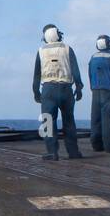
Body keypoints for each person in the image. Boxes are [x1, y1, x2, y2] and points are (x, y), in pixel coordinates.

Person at [33, 24, 84, 160]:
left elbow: (37, 75)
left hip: (48, 90)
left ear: (45, 37)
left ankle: (52, 152)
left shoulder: (41, 51)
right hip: (66, 89)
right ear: (59, 35)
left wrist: (36, 92)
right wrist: (79, 88)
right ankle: (73, 152)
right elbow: (76, 71)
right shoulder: (68, 49)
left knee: (48, 122)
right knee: (69, 121)